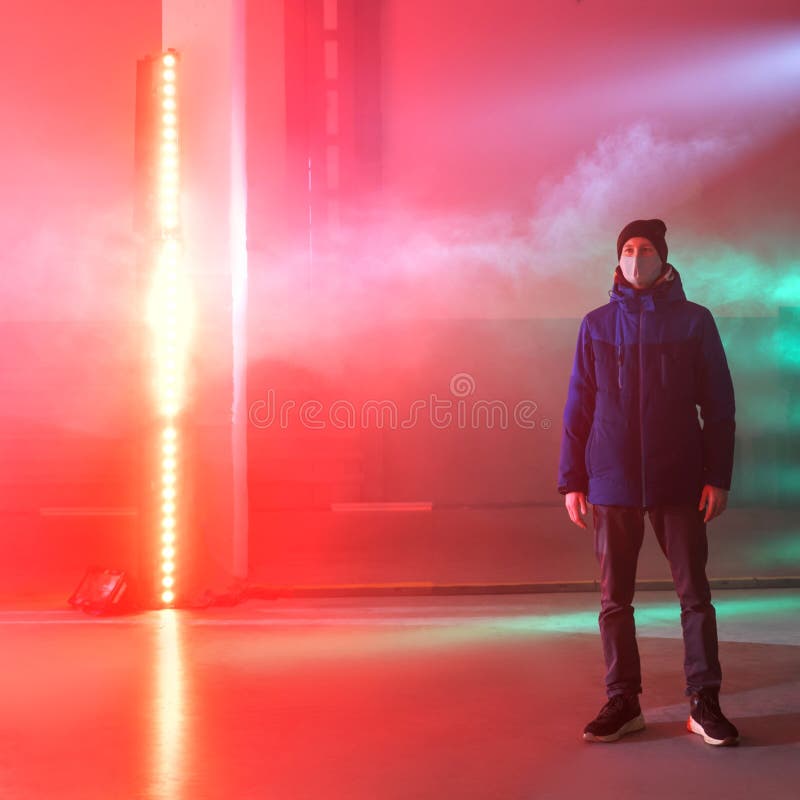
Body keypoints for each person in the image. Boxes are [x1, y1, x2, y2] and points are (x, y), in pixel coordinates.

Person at [557, 218, 739, 746]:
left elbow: (720, 405)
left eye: (647, 250)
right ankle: (623, 700)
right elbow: (578, 407)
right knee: (614, 600)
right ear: (619, 259)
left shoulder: (694, 322)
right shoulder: (595, 324)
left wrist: (717, 476)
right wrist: (573, 479)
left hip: (678, 477)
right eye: (629, 249)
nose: (638, 257)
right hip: (610, 481)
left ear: (663, 259)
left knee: (695, 597)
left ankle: (704, 701)